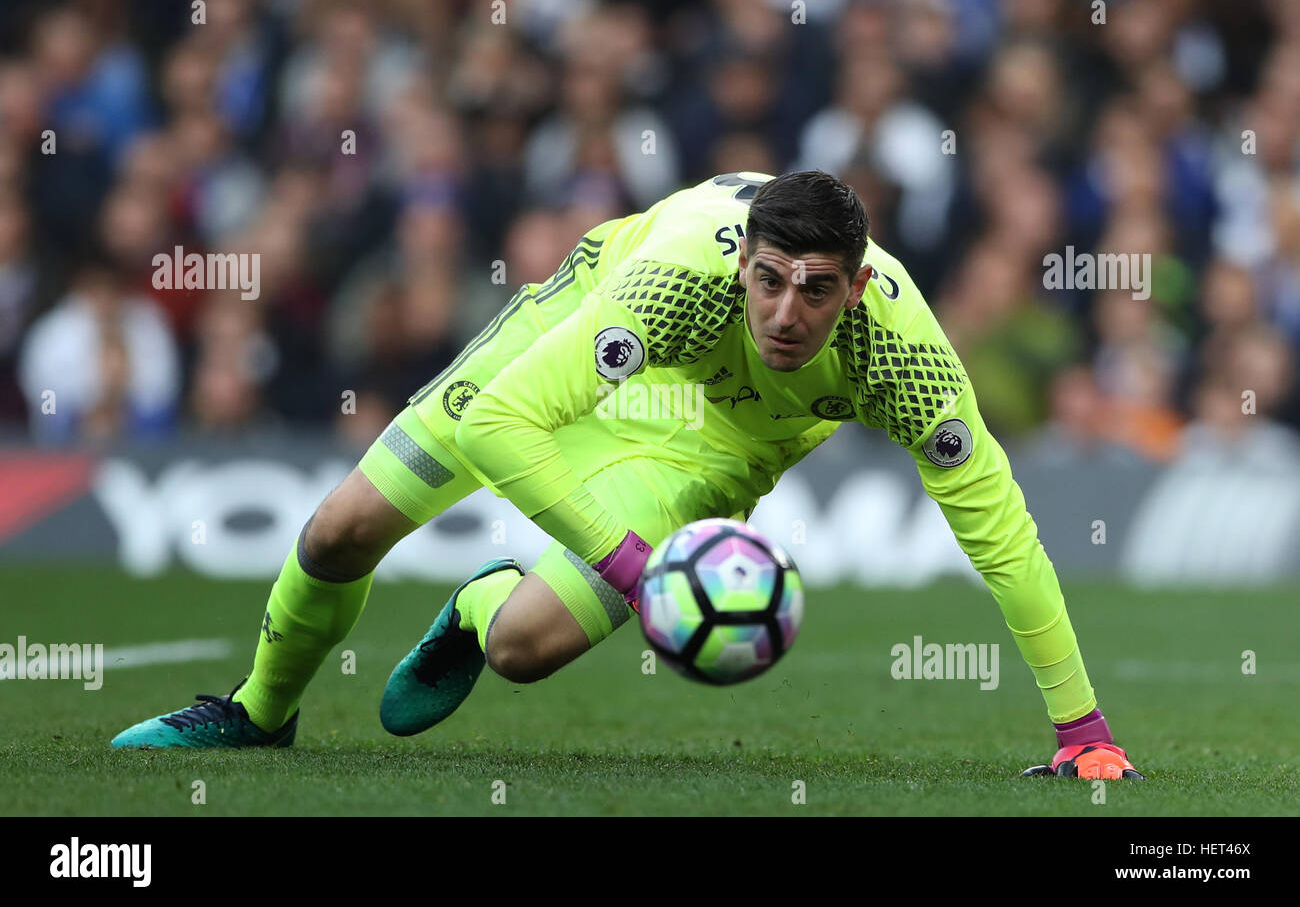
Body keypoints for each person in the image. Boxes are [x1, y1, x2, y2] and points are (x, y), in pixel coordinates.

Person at [112, 170, 1143, 781]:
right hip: (582, 334)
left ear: (858, 288)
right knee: (339, 530)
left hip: (715, 449)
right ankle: (259, 709)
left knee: (520, 649)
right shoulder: (676, 283)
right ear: (743, 262)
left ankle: (479, 609)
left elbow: (997, 528)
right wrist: (633, 562)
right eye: (771, 282)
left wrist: (1081, 728)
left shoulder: (903, 352)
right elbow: (509, 421)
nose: (787, 313)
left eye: (817, 291)